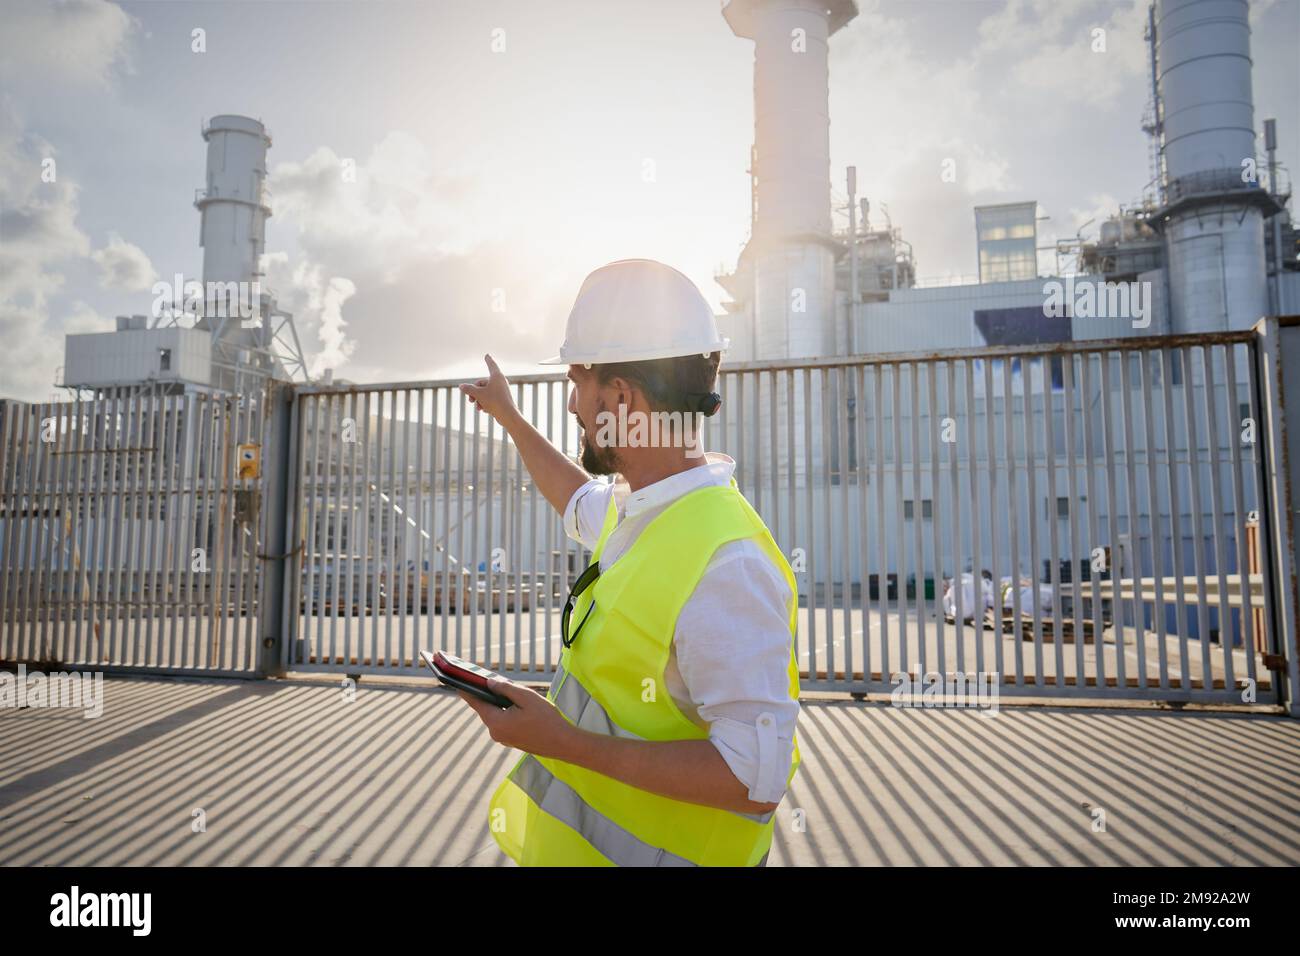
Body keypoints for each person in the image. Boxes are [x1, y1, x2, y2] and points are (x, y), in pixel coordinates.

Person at [456, 258, 801, 867]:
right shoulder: (639, 510)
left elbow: (754, 780)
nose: (572, 406)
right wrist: (510, 419)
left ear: (619, 395)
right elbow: (574, 497)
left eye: (576, 383)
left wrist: (563, 743)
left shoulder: (727, 566)